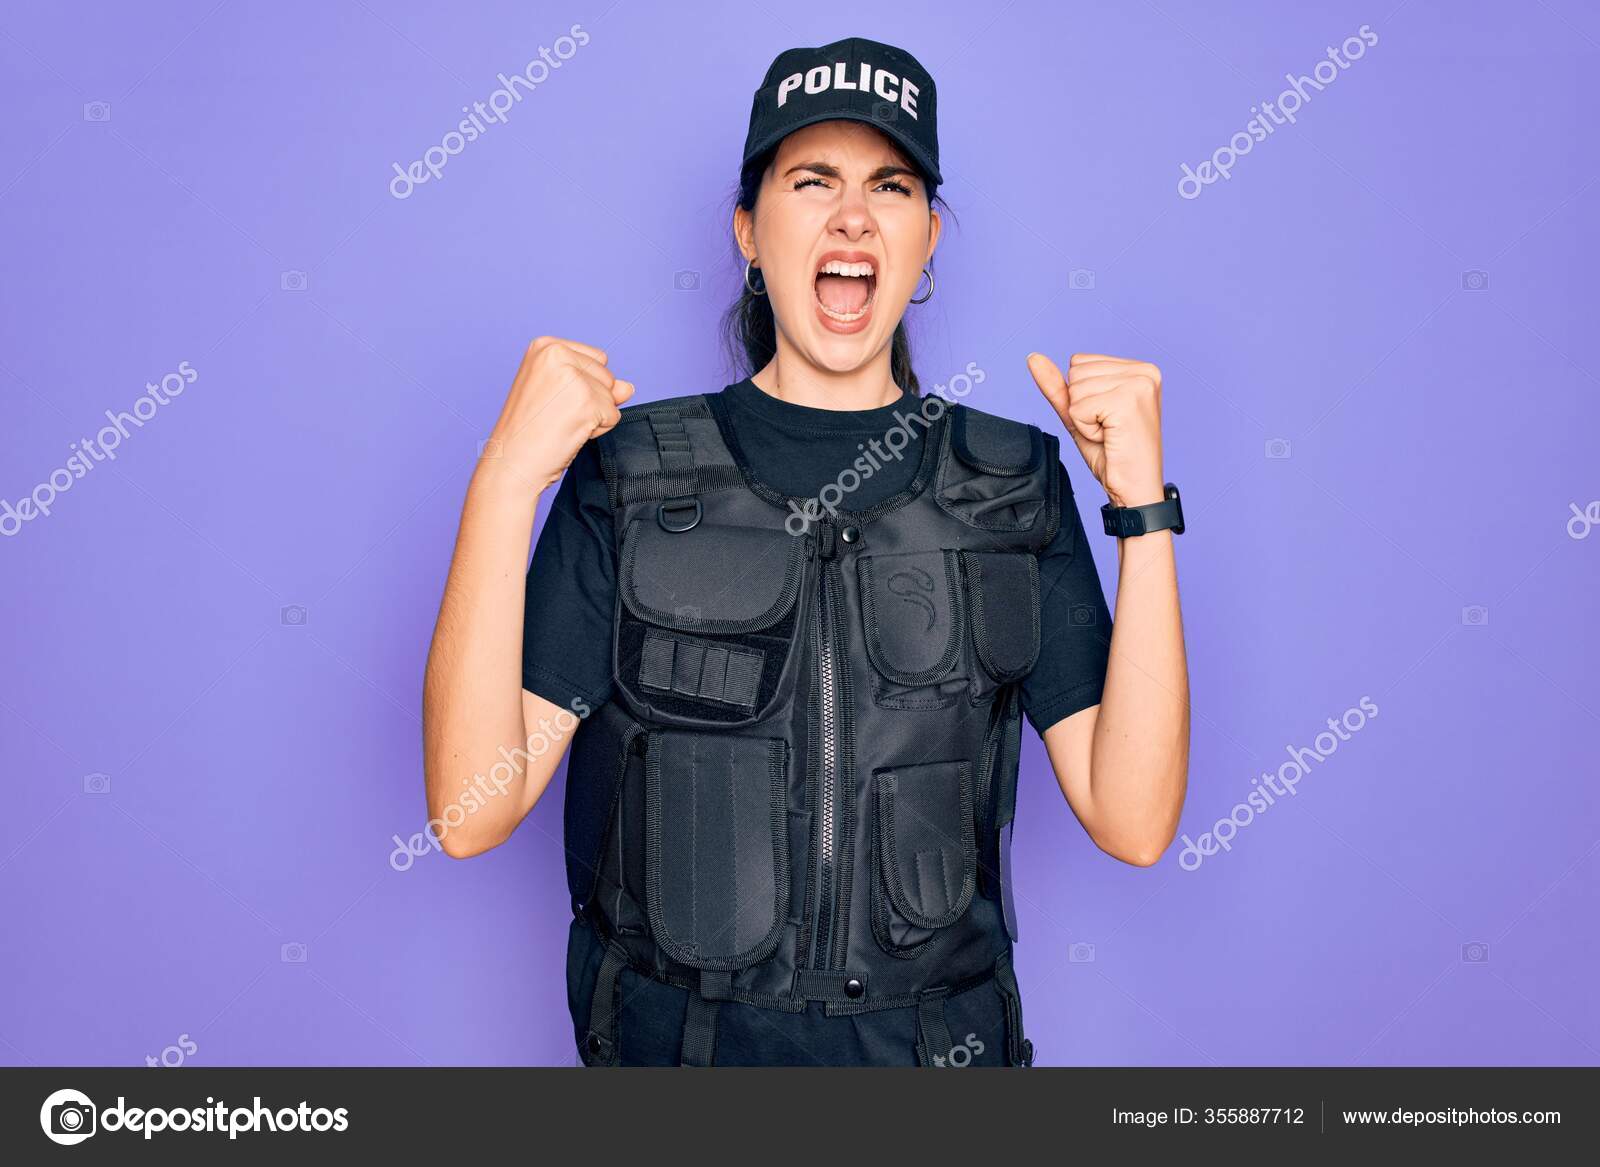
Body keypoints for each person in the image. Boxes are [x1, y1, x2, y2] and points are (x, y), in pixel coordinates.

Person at [422, 36, 1189, 1067]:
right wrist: (504, 482)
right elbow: (467, 811)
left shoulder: (1011, 484)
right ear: (748, 229)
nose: (852, 216)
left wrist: (1141, 509)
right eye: (812, 180)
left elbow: (1134, 822)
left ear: (927, 238)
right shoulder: (630, 472)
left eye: (891, 186)